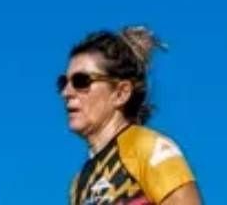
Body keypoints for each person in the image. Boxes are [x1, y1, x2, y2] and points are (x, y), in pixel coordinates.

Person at [61, 27, 203, 205]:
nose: (66, 92)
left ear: (121, 93)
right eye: (63, 82)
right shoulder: (78, 184)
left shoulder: (146, 147)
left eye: (81, 81)